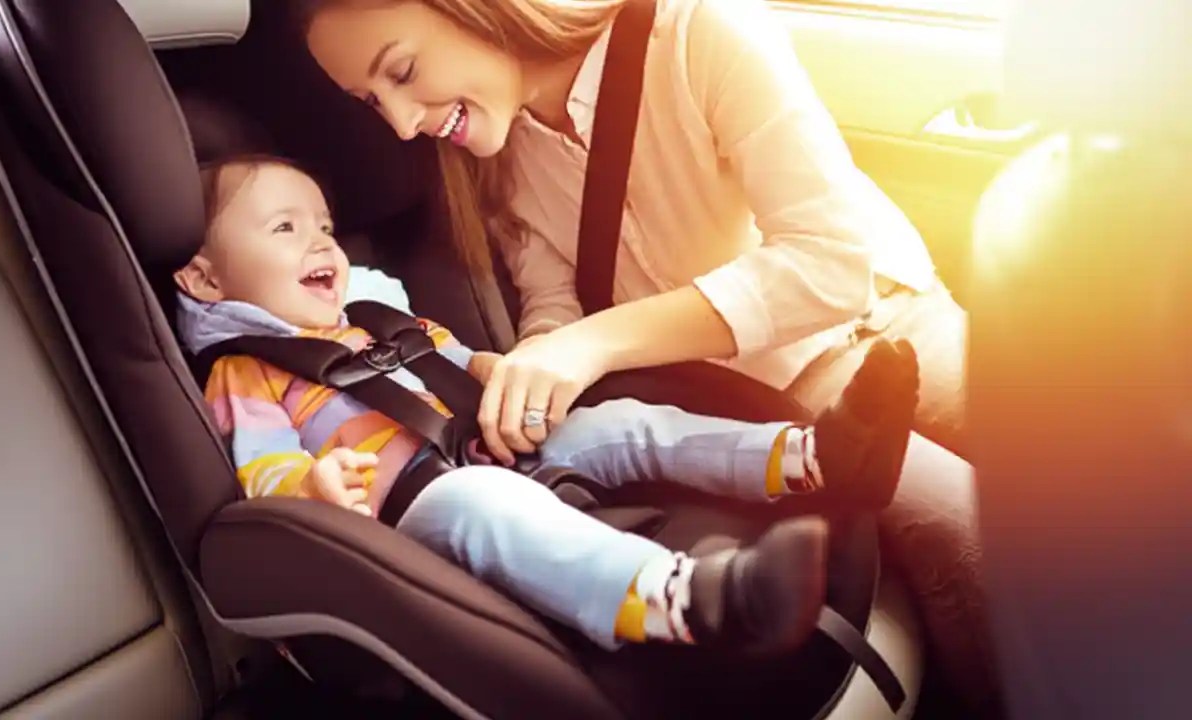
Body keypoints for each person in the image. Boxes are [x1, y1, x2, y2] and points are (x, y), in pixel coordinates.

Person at [297, 0, 995, 714]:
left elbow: (832, 264)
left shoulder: (698, 31)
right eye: (373, 101)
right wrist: (538, 365)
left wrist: (590, 344)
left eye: (404, 72)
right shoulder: (490, 164)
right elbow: (553, 302)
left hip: (891, 319)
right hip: (764, 402)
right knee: (964, 526)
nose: (404, 123)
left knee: (1083, 454)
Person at [174, 154, 922, 655]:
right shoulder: (246, 372)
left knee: (621, 424)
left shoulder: (375, 317)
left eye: (326, 226)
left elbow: (460, 364)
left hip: (499, 442)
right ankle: (686, 597)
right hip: (414, 512)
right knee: (483, 506)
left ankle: (815, 458)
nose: (322, 245)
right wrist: (313, 487)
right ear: (207, 281)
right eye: (285, 229)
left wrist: (501, 372)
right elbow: (261, 472)